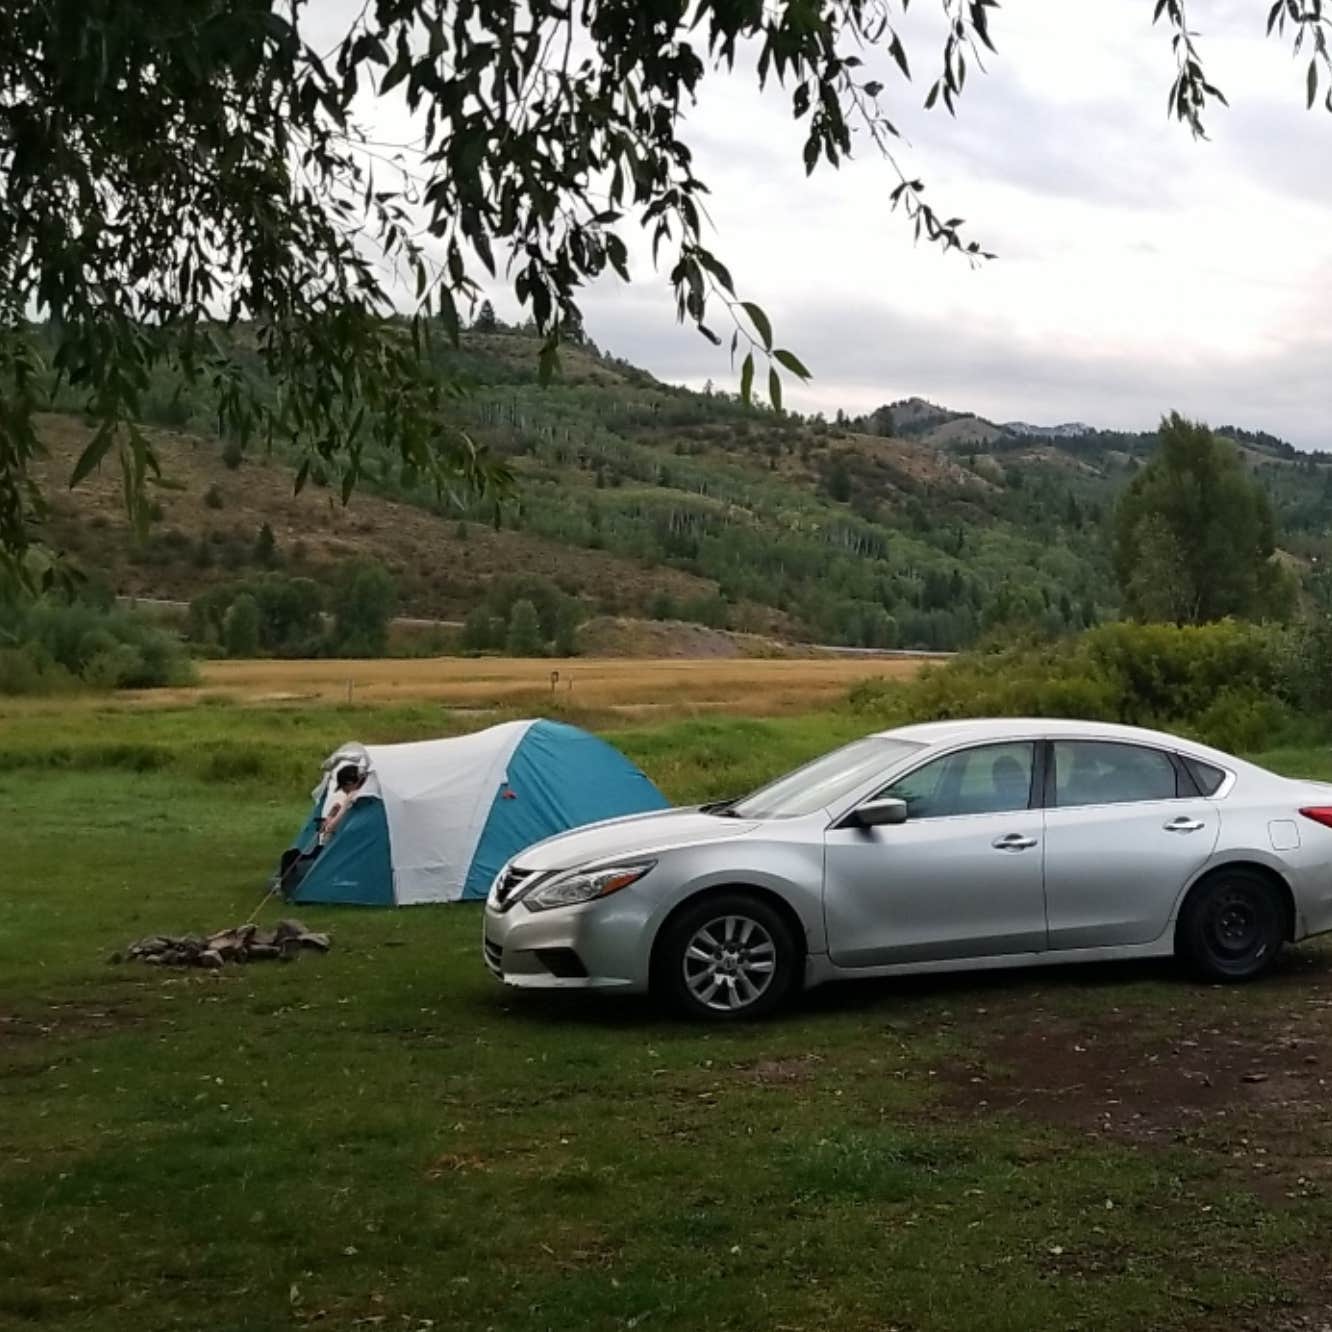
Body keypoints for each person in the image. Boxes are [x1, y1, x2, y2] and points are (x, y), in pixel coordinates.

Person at [320, 764, 366, 845]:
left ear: (349, 783)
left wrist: (330, 818)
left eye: (344, 787)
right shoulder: (369, 791)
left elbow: (331, 827)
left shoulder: (353, 795)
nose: (344, 791)